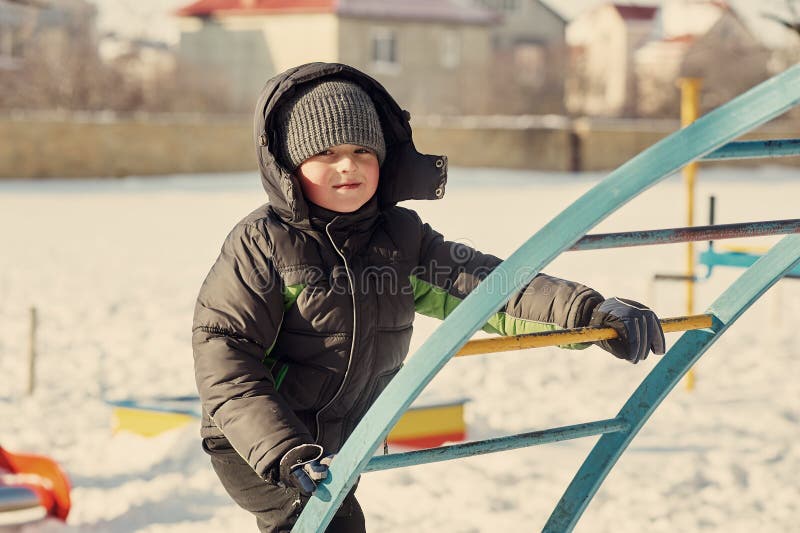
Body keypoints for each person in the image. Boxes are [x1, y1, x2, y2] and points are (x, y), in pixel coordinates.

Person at [192, 62, 665, 533]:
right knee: (325, 525)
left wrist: (590, 313)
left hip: (340, 440)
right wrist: (282, 449)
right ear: (289, 166)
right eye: (325, 152)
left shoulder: (402, 240)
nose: (348, 165)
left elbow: (489, 287)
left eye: (362, 149)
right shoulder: (264, 245)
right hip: (255, 443)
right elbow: (224, 353)